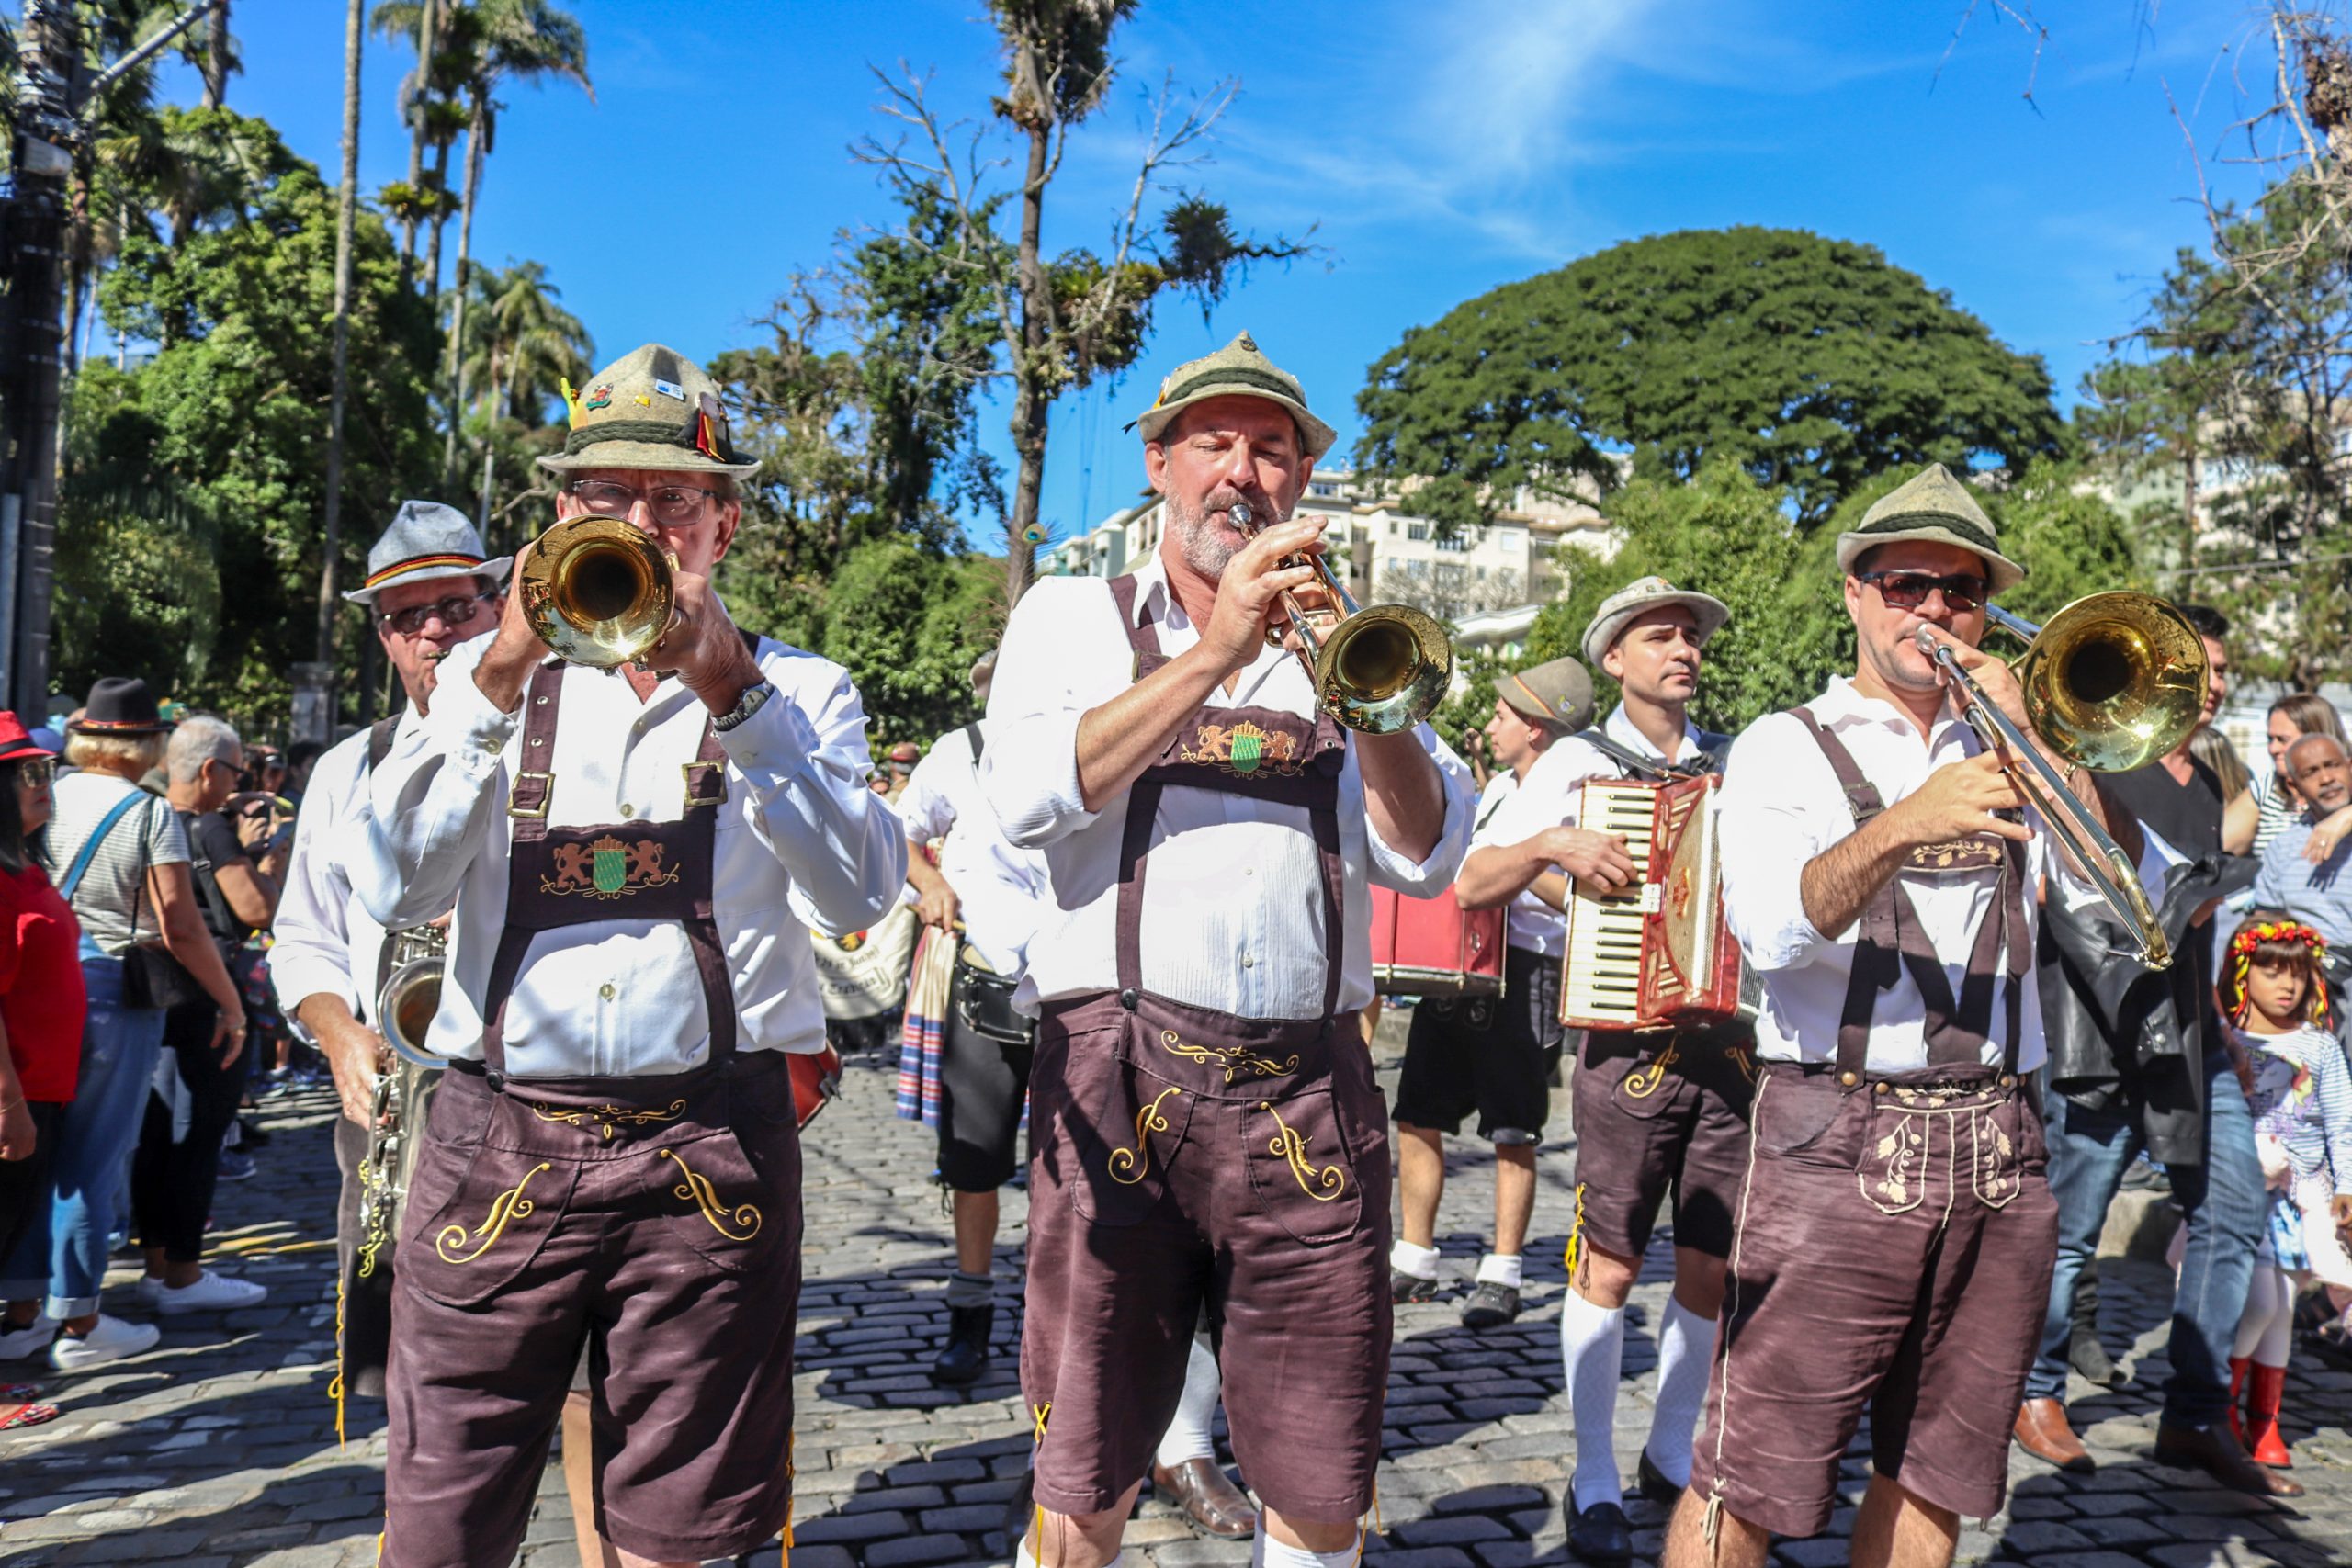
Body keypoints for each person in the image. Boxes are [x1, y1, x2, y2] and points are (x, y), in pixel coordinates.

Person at [363, 342, 906, 1568]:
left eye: (673, 500)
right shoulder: (476, 686)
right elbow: (394, 881)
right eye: (608, 496)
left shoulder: (802, 689)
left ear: (721, 524)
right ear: (562, 514)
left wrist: (737, 693)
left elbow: (862, 891)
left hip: (709, 1148)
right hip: (498, 1140)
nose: (641, 523)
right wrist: (496, 671)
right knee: (441, 1523)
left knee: (684, 1528)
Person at [982, 331, 1473, 1568]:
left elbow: (1425, 849)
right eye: (1215, 443)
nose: (1241, 472)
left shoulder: (1350, 641)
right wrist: (1215, 654)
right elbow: (1030, 797)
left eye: (1272, 448)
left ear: (1302, 480)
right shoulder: (1070, 615)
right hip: (1117, 1080)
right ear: (1159, 462)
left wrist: (1370, 694)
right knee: (1084, 1472)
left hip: (1309, 1097)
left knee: (1319, 1479)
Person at [1676, 465, 2153, 1568]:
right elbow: (1772, 934)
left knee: (1939, 1469)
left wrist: (2048, 747)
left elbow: (2122, 910)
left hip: (1999, 1142)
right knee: (1749, 1474)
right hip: (1833, 1136)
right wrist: (1905, 820)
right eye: (1906, 584)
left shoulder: (2017, 744)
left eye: (1961, 590)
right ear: (1854, 593)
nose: (1934, 610)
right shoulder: (1784, 743)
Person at [1458, 581, 1744, 1560]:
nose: (1683, 649)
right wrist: (1550, 843)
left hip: (1731, 1049)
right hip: (1625, 1045)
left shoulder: (1737, 763)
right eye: (1659, 635)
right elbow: (1473, 879)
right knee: (1611, 1259)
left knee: (1710, 1262)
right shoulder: (1578, 762)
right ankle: (1591, 1476)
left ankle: (1669, 1458)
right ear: (1613, 659)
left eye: (1691, 636)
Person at [2017, 607, 2279, 1498]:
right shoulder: (2098, 757)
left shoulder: (2215, 781)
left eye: (2219, 672)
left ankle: (2195, 1414)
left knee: (2234, 1211)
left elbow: (2198, 932)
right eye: (2197, 668)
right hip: (2100, 1033)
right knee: (2068, 1233)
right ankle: (2037, 1392)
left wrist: (2226, 1032)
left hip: (2196, 1044)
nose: (2211, 687)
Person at [0, 678, 244, 1371]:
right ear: (147, 745)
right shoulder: (148, 812)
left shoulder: (48, 794)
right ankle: (79, 1317)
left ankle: (20, 1312)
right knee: (95, 1157)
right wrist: (227, 1000)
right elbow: (182, 924)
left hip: (42, 982)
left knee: (39, 1154)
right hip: (114, 989)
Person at [1389, 655, 1592, 1331]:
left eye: (1504, 715)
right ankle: (1415, 1254)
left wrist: (1516, 861)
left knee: (1514, 1127)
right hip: (1460, 961)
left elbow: (1583, 903)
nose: (1491, 724)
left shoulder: (1582, 792)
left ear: (1537, 727)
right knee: (1418, 1111)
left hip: (1526, 964)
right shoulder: (1504, 787)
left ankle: (1502, 1271)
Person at [891, 652, 1053, 1386]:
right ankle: (971, 1313)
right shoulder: (958, 752)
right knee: (975, 1159)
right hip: (984, 980)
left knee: (1076, 1170)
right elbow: (895, 832)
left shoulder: (1086, 737)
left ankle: (1062, 1324)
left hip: (1078, 987)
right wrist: (928, 879)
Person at [127, 716, 279, 1312]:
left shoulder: (146, 817)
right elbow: (255, 909)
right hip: (213, 990)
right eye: (236, 773)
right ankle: (185, 1272)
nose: (240, 786)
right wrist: (268, 857)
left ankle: (156, 1263)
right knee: (201, 1132)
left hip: (153, 987)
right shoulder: (211, 828)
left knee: (158, 1132)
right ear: (211, 770)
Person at [2215, 917, 2352, 1472]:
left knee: (2282, 1310)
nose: (2287, 986)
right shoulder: (2228, 1041)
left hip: (2302, 1199)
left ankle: (2264, 1420)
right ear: (2244, 973)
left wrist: (2347, 1186)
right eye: (2271, 971)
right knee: (2257, 1304)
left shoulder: (2319, 1047)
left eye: (2298, 974)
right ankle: (2219, 1407)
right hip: (2239, 1194)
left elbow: (2342, 1122)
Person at [0, 716, 80, 1433]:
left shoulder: (25, 864)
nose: (40, 784)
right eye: (23, 774)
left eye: (43, 771)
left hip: (44, 1084)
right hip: (15, 1093)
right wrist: (9, 1103)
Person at [2254, 732, 2352, 953]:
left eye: (2333, 765)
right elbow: (2265, 924)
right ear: (2294, 786)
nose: (2326, 779)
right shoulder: (2282, 847)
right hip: (2310, 970)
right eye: (2311, 772)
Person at [2253, 694, 2349, 855]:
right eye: (2270, 739)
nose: (2272, 748)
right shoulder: (2268, 787)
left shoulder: (2342, 783)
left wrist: (2346, 816)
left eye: (2283, 739)